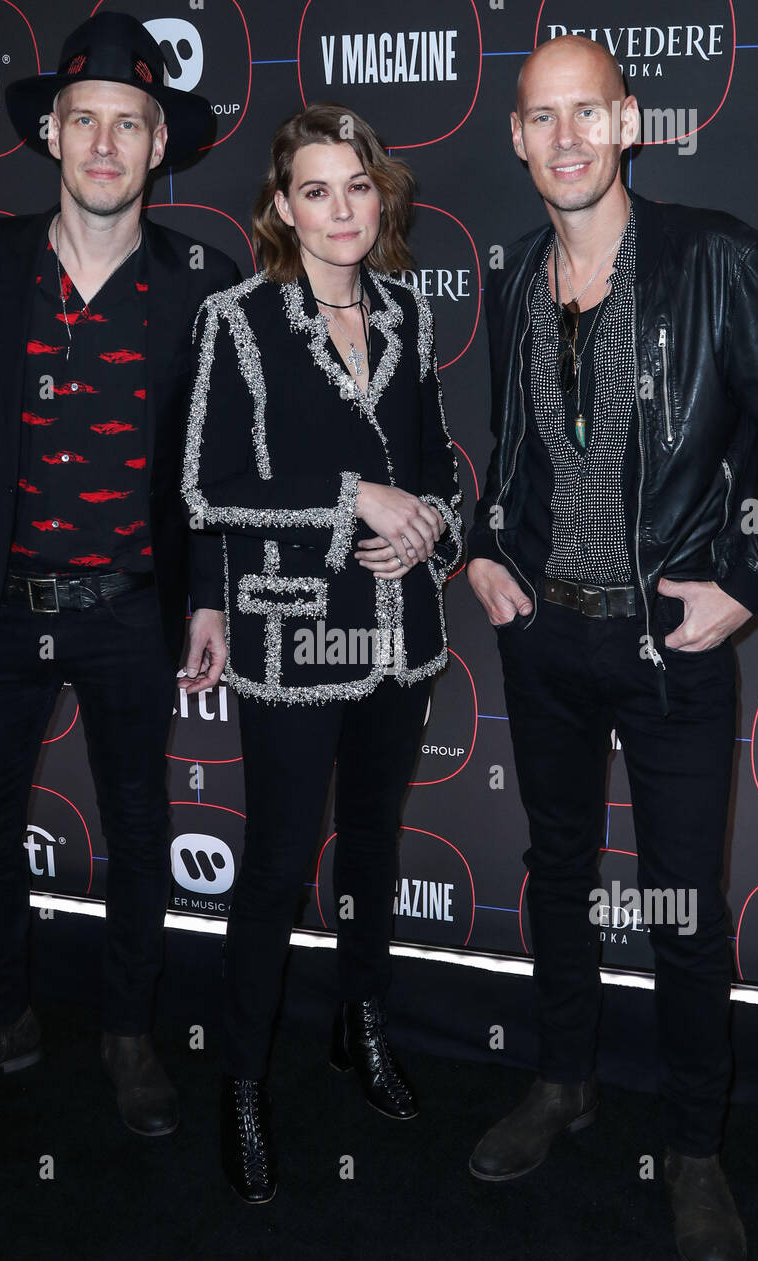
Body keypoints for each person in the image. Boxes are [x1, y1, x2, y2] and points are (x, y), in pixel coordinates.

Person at [465, 36, 758, 1261]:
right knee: (557, 872)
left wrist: (742, 592)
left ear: (627, 121)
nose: (565, 138)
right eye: (541, 118)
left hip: (668, 643)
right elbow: (506, 450)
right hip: (545, 642)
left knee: (682, 910)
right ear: (515, 138)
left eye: (588, 112)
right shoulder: (515, 271)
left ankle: (690, 1149)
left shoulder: (715, 258)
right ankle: (562, 1080)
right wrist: (479, 552)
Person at [0, 13, 238, 1138]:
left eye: (126, 124)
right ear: (51, 134)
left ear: (158, 146)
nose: (103, 143)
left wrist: (206, 597)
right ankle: (0, 1018)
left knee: (140, 828)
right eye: (83, 120)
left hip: (132, 611)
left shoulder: (203, 279)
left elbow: (217, 463)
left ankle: (128, 1037)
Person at [182, 103, 462, 1203]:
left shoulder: (409, 311)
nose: (340, 208)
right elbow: (211, 488)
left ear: (379, 196)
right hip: (291, 636)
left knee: (373, 847)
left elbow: (436, 463)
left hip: (404, 634)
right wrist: (358, 500)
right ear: (281, 206)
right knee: (278, 862)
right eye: (314, 189)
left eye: (356, 186)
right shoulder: (237, 320)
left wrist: (428, 524)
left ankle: (361, 1024)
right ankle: (242, 1081)